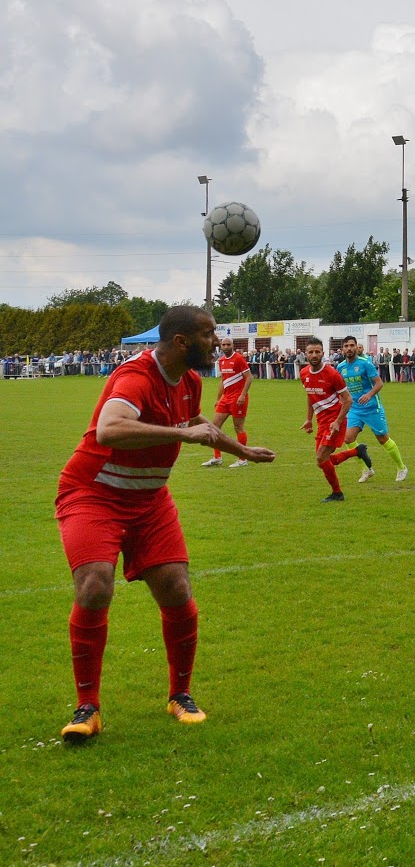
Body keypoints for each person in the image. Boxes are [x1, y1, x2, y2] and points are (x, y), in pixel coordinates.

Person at [55, 306, 275, 741]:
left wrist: (241, 451)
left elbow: (195, 424)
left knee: (176, 587)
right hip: (93, 493)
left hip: (150, 499)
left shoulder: (189, 381)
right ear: (181, 342)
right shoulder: (135, 376)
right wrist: (180, 435)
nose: (217, 341)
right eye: (210, 334)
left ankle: (180, 695)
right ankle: (87, 707)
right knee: (96, 585)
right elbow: (110, 429)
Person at [300, 341, 372, 502]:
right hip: (321, 422)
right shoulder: (304, 373)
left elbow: (348, 400)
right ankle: (357, 451)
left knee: (320, 458)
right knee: (323, 461)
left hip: (334, 422)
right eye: (311, 352)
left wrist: (338, 422)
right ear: (306, 354)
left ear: (323, 353)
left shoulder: (332, 374)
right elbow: (310, 396)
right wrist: (309, 419)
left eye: (317, 352)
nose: (314, 355)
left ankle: (337, 493)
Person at [338, 335, 408, 482]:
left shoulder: (365, 363)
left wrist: (369, 395)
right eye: (346, 346)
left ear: (356, 347)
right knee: (348, 438)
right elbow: (341, 390)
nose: (349, 348)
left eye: (352, 345)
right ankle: (366, 469)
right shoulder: (341, 367)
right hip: (355, 409)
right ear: (343, 349)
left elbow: (379, 383)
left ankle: (401, 467)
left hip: (371, 407)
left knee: (383, 439)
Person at [200, 336, 253, 469]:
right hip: (226, 398)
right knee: (214, 426)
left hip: (237, 399)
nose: (225, 347)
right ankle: (217, 457)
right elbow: (223, 381)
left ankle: (242, 458)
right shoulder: (222, 360)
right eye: (223, 345)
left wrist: (242, 395)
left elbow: (249, 377)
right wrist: (218, 398)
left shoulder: (239, 359)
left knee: (238, 428)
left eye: (228, 344)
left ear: (232, 346)